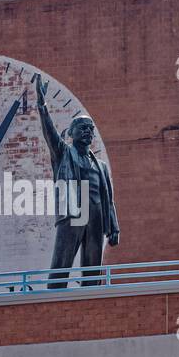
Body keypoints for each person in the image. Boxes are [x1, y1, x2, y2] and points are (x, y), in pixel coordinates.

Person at [36, 76, 120, 287]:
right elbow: (50, 133)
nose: (88, 132)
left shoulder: (100, 166)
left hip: (97, 213)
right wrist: (42, 104)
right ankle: (54, 299)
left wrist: (114, 227)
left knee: (92, 268)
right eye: (82, 127)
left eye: (90, 129)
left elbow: (109, 199)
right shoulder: (64, 153)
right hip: (73, 211)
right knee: (62, 263)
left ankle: (91, 300)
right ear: (71, 133)